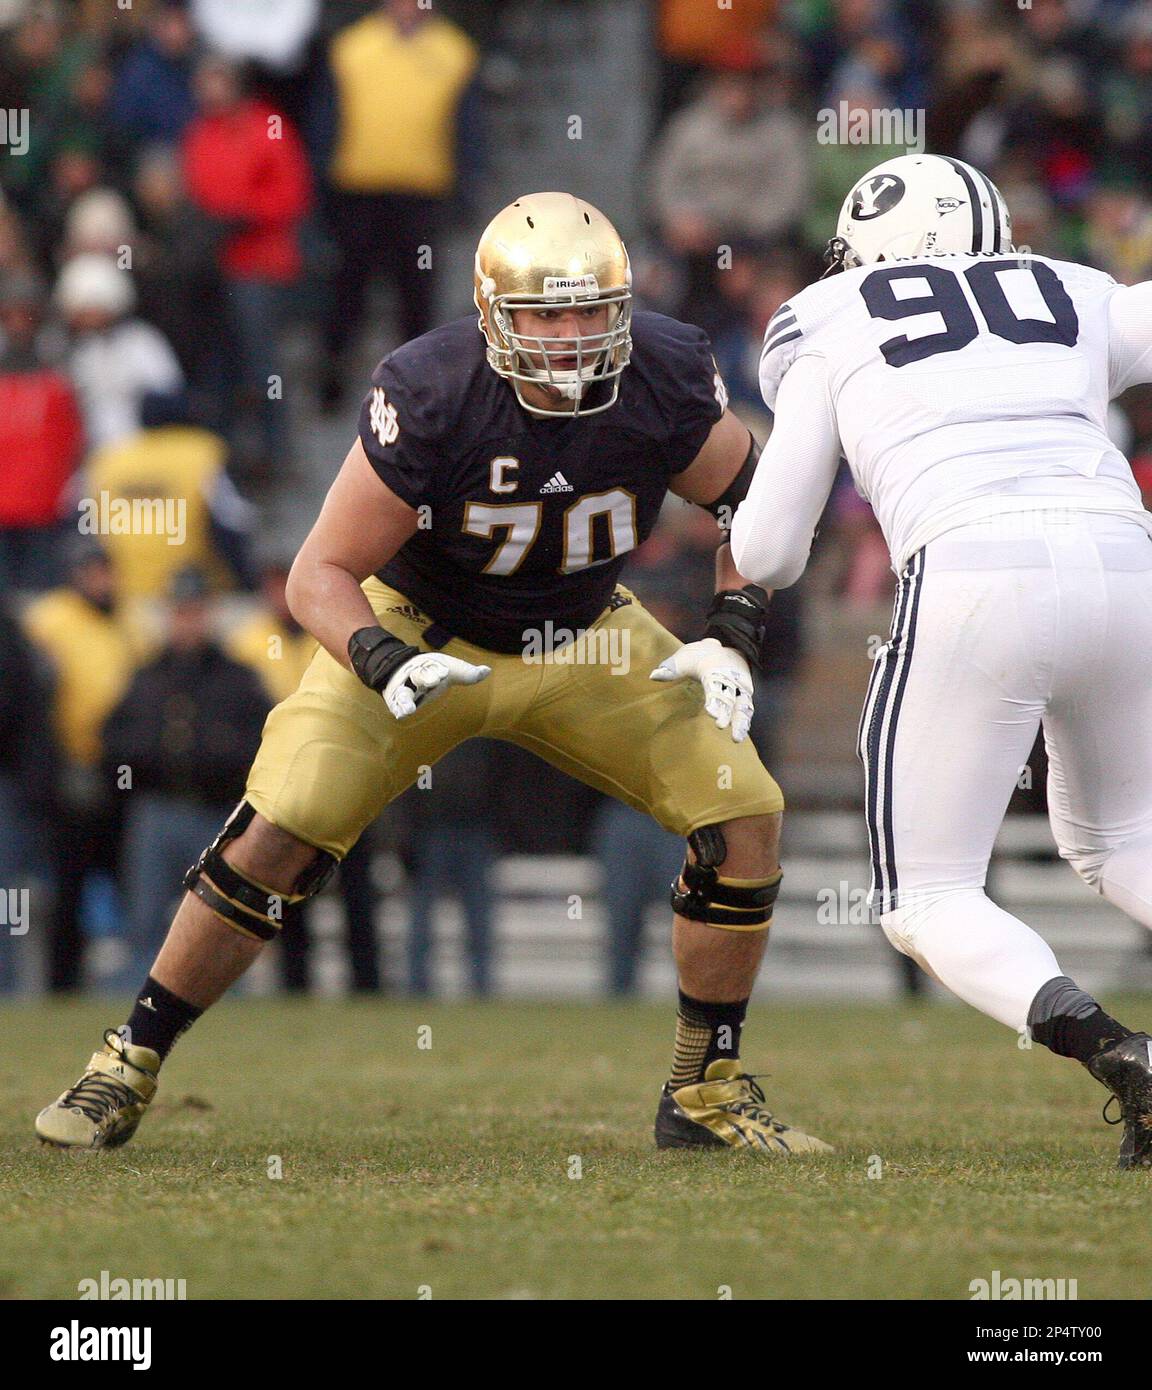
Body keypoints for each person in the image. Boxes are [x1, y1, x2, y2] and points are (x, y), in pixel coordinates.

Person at [35, 192, 829, 1157]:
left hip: (588, 634)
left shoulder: (662, 370)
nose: (574, 338)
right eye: (548, 314)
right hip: (423, 633)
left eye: (592, 311)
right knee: (281, 826)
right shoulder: (434, 389)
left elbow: (762, 507)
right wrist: (380, 657)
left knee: (742, 808)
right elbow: (317, 572)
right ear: (495, 313)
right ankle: (129, 1058)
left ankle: (703, 1091)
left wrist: (734, 629)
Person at [730, 153, 1152, 1169]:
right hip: (1126, 557)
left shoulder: (826, 318)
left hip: (973, 568)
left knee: (927, 896)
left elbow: (770, 552)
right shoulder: (1070, 286)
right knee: (1126, 842)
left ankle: (1123, 1054)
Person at [102, 567, 271, 985]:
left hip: (217, 812)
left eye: (195, 611)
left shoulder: (238, 678)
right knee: (145, 916)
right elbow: (114, 739)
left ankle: (226, 1005)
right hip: (157, 808)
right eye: (180, 612)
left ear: (210, 614)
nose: (188, 621)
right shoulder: (147, 675)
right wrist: (152, 761)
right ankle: (141, 1010)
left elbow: (266, 740)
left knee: (222, 919)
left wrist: (219, 762)